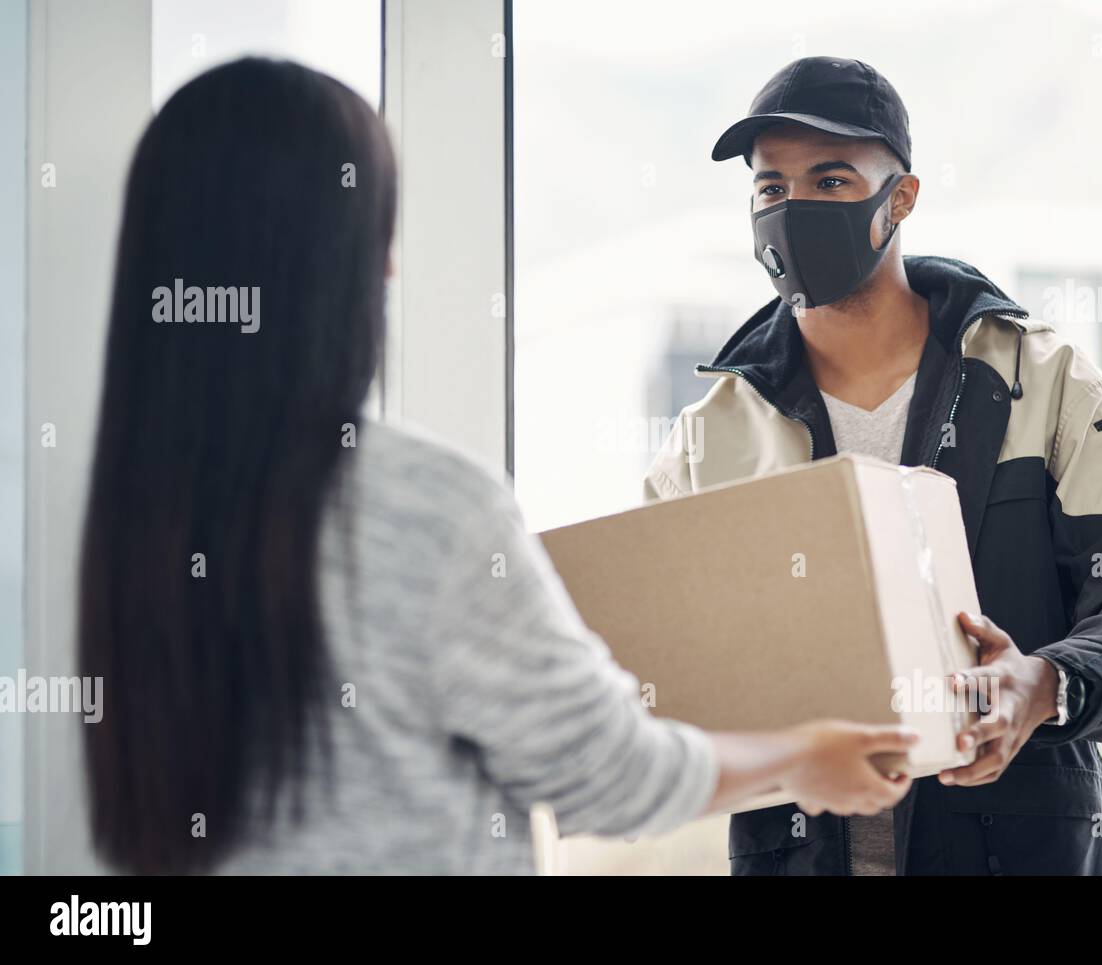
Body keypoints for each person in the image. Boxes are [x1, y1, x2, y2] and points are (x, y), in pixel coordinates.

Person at [76, 57, 918, 876]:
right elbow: (612, 774)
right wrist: (804, 757)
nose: (393, 263)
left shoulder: (132, 517)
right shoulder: (426, 509)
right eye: (380, 230)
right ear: (335, 259)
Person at [646, 56, 1102, 875]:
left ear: (900, 200)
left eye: (831, 181)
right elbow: (666, 659)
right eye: (771, 190)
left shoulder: (1043, 383)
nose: (793, 210)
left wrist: (1047, 684)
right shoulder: (712, 438)